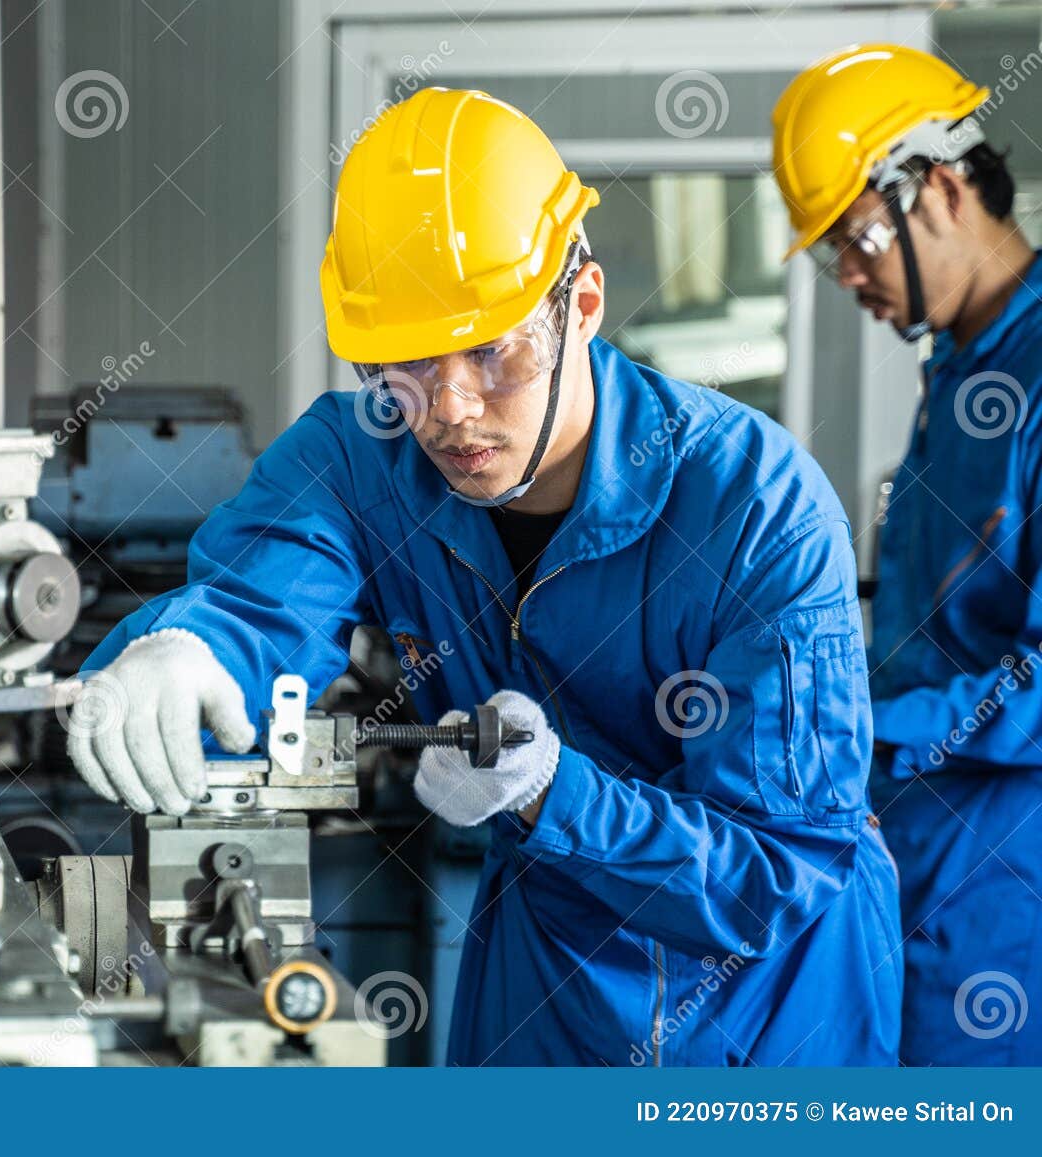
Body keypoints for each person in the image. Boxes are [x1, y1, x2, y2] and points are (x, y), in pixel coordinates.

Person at [65, 86, 902, 1066]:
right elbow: (261, 590)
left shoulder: (756, 506)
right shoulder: (363, 458)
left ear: (581, 303)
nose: (449, 409)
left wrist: (554, 791)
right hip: (545, 974)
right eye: (405, 363)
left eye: (491, 350)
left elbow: (775, 869)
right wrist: (186, 644)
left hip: (766, 1016)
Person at [773, 44, 1042, 1064]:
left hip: (1006, 894)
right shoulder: (960, 373)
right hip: (916, 857)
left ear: (934, 189)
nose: (846, 272)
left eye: (853, 236)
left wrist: (862, 726)